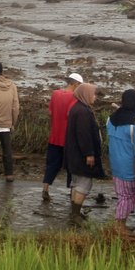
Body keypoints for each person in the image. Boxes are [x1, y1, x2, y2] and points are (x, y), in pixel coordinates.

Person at [106, 89, 135, 234]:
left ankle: (120, 223)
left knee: (122, 195)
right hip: (130, 167)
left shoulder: (111, 120)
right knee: (127, 197)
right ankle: (119, 225)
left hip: (116, 164)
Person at [64, 83, 104, 226]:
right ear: (85, 94)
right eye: (93, 94)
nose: (95, 97)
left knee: (76, 183)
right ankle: (75, 215)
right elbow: (84, 135)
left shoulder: (78, 108)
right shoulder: (83, 112)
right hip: (81, 155)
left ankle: (75, 212)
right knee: (83, 184)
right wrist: (89, 154)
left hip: (74, 154)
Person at [42, 73, 82, 201]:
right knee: (71, 166)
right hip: (69, 139)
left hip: (55, 136)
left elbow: (50, 112)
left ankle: (45, 189)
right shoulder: (75, 98)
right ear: (76, 84)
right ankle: (72, 193)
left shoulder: (55, 94)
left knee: (52, 164)